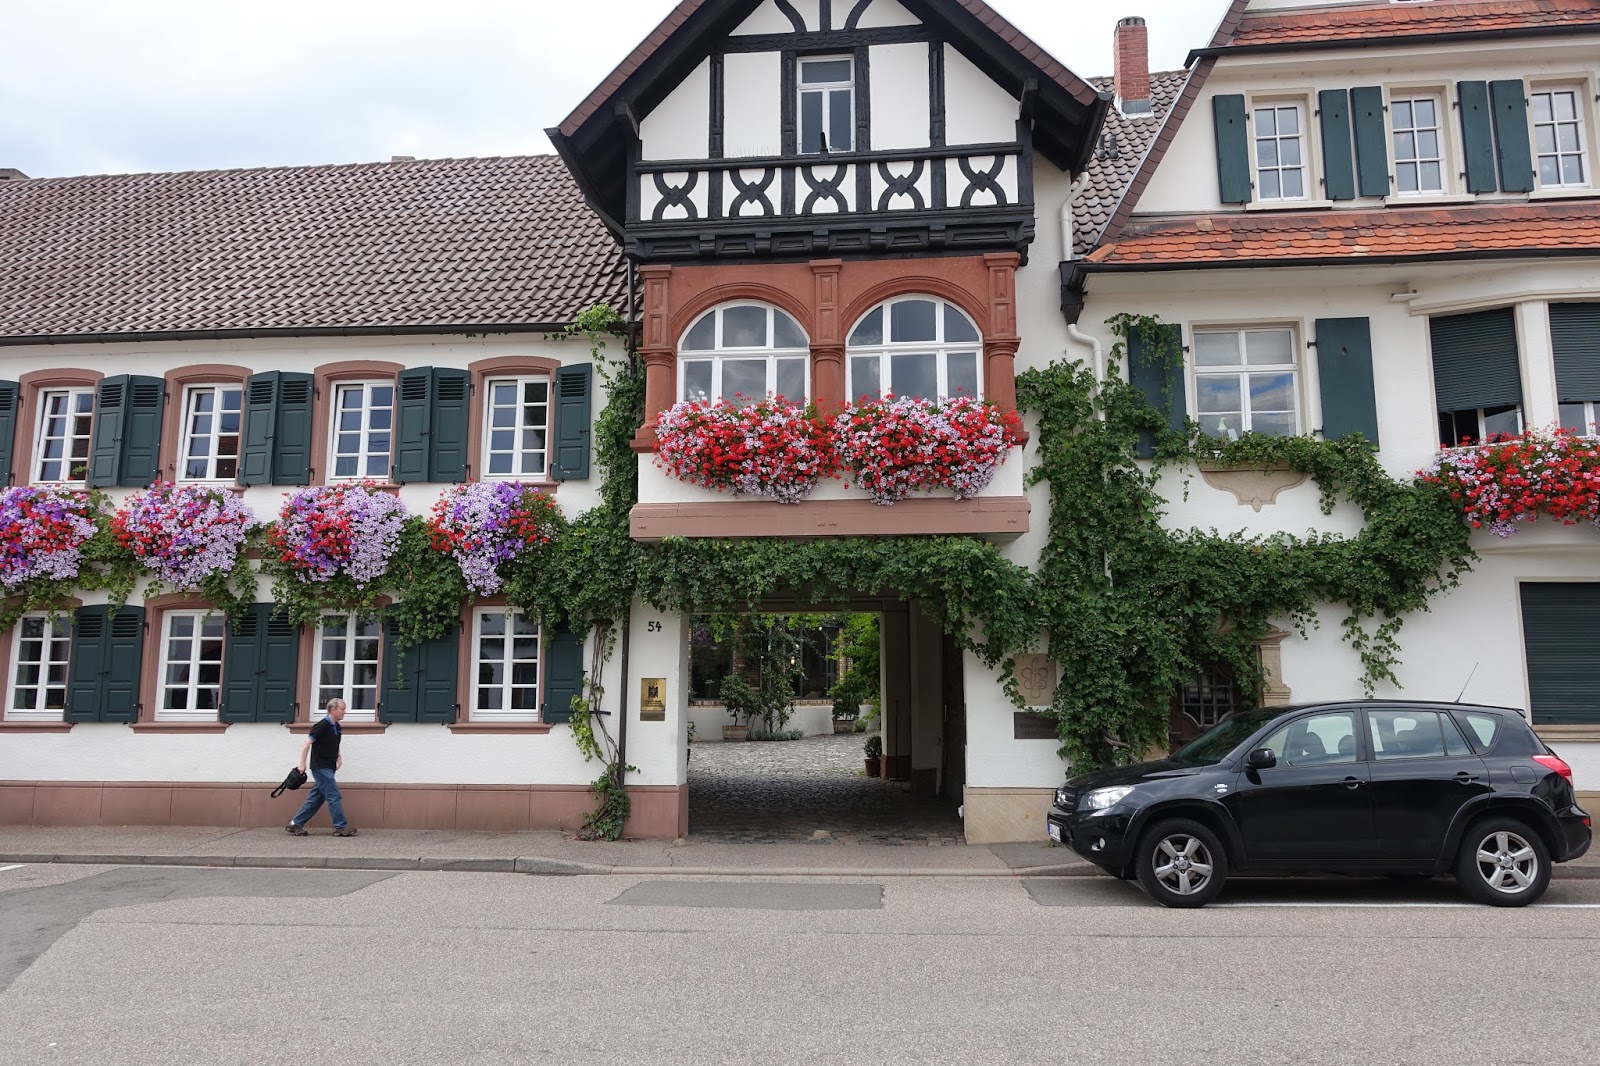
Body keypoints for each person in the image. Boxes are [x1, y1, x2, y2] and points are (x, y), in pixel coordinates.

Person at [286, 698, 356, 837]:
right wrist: (302, 764)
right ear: (333, 709)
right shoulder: (322, 725)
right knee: (334, 796)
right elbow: (307, 743)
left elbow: (334, 744)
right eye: (342, 709)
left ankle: (295, 824)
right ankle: (340, 827)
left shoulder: (336, 727)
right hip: (320, 767)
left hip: (329, 767)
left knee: (316, 798)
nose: (345, 712)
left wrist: (339, 755)